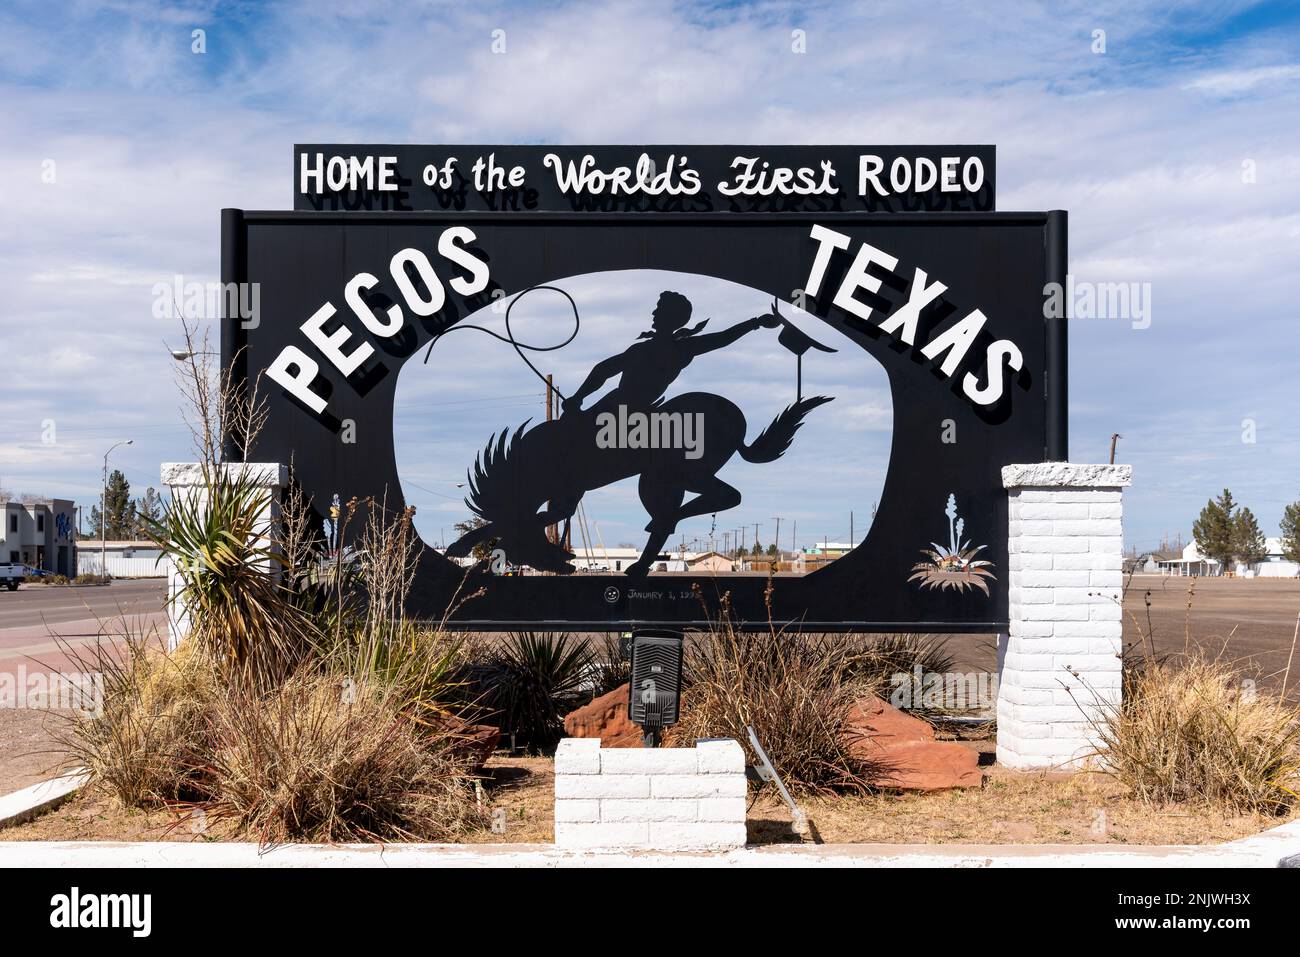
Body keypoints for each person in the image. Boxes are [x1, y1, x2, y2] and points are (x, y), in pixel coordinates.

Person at [563, 291, 782, 417]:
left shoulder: (653, 349)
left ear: (671, 316)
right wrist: (756, 323)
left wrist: (577, 398)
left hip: (617, 411)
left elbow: (603, 370)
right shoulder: (680, 349)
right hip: (637, 412)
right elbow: (603, 370)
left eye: (660, 309)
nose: (654, 312)